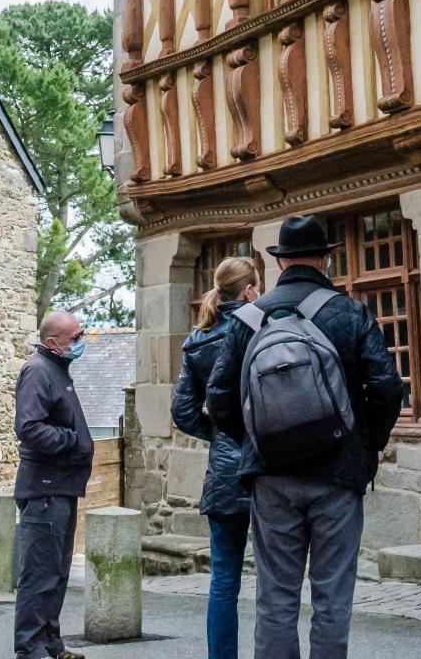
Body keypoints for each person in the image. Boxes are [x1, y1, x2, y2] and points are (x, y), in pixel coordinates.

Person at [206, 215, 404, 659]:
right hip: (338, 471)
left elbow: (218, 398)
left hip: (271, 476)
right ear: (324, 258)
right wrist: (364, 441)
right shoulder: (349, 312)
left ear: (279, 260)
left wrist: (259, 439)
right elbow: (388, 387)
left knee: (275, 597)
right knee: (333, 596)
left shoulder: (249, 318)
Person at [171, 254, 260, 659]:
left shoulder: (198, 339)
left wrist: (222, 434)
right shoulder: (263, 328)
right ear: (250, 290)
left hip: (225, 472)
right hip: (269, 466)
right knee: (278, 577)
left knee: (224, 579)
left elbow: (183, 412)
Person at [13, 310, 94, 659]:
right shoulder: (38, 371)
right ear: (53, 343)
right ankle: (30, 648)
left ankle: (50, 643)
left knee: (57, 573)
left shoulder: (56, 370)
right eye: (75, 338)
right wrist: (72, 440)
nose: (81, 342)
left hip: (60, 486)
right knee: (40, 576)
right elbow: (29, 428)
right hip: (45, 488)